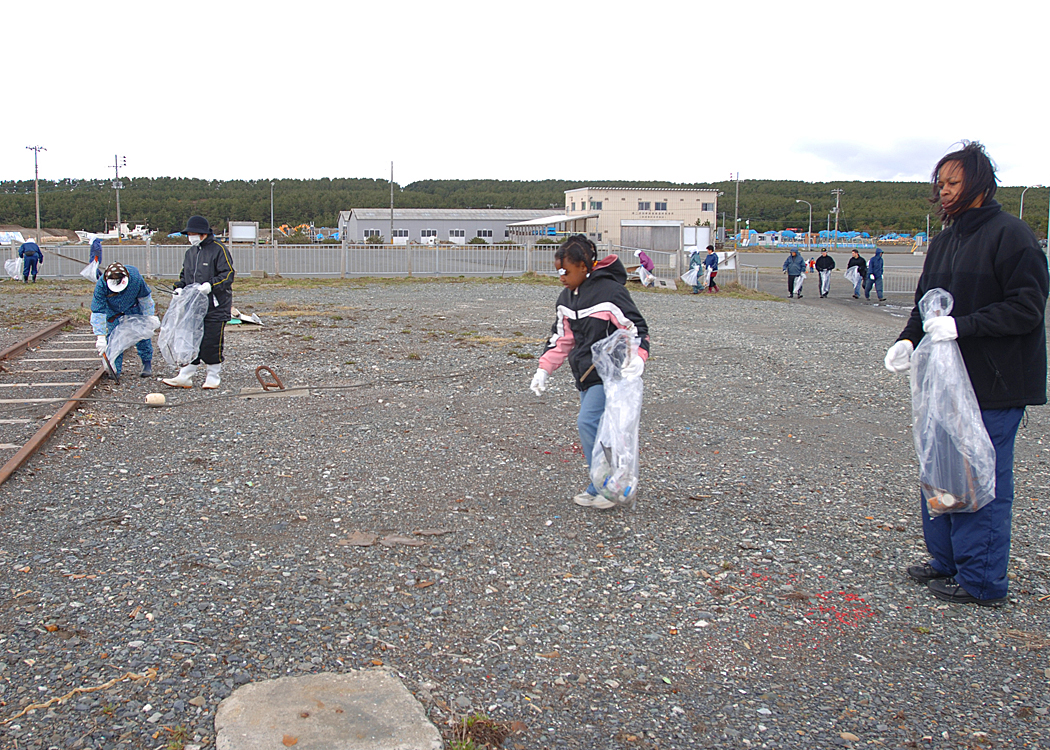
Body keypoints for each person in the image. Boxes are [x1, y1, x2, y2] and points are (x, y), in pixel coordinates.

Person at [884, 141, 1048, 606]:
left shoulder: (1011, 235)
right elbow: (924, 303)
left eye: (953, 182)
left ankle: (981, 581)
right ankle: (948, 560)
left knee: (982, 479)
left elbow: (1028, 307)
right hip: (944, 384)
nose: (945, 190)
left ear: (979, 183)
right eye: (941, 183)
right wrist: (908, 340)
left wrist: (964, 326)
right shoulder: (944, 241)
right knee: (941, 469)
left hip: (993, 384)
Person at [529, 235, 650, 510]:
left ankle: (609, 486)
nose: (561, 277)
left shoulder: (610, 293)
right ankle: (602, 484)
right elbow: (562, 339)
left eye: (565, 271)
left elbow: (636, 329)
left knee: (588, 422)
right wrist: (544, 369)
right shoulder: (566, 298)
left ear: (583, 266)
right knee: (602, 433)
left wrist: (638, 358)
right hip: (584, 377)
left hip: (610, 377)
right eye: (558, 271)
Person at [162, 215, 235, 390]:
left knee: (211, 340)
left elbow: (228, 274)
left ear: (203, 234)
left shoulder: (219, 249)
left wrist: (211, 285)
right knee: (190, 339)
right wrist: (180, 287)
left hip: (215, 305)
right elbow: (184, 275)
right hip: (193, 306)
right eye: (189, 234)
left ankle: (213, 375)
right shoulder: (191, 253)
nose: (191, 237)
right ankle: (185, 375)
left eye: (193, 234)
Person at [91, 263, 160, 378]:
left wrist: (148, 317)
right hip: (113, 312)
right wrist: (100, 336)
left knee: (142, 335)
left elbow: (145, 298)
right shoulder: (101, 286)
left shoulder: (135, 278)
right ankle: (115, 369)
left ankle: (146, 363)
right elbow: (98, 311)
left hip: (134, 308)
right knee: (114, 339)